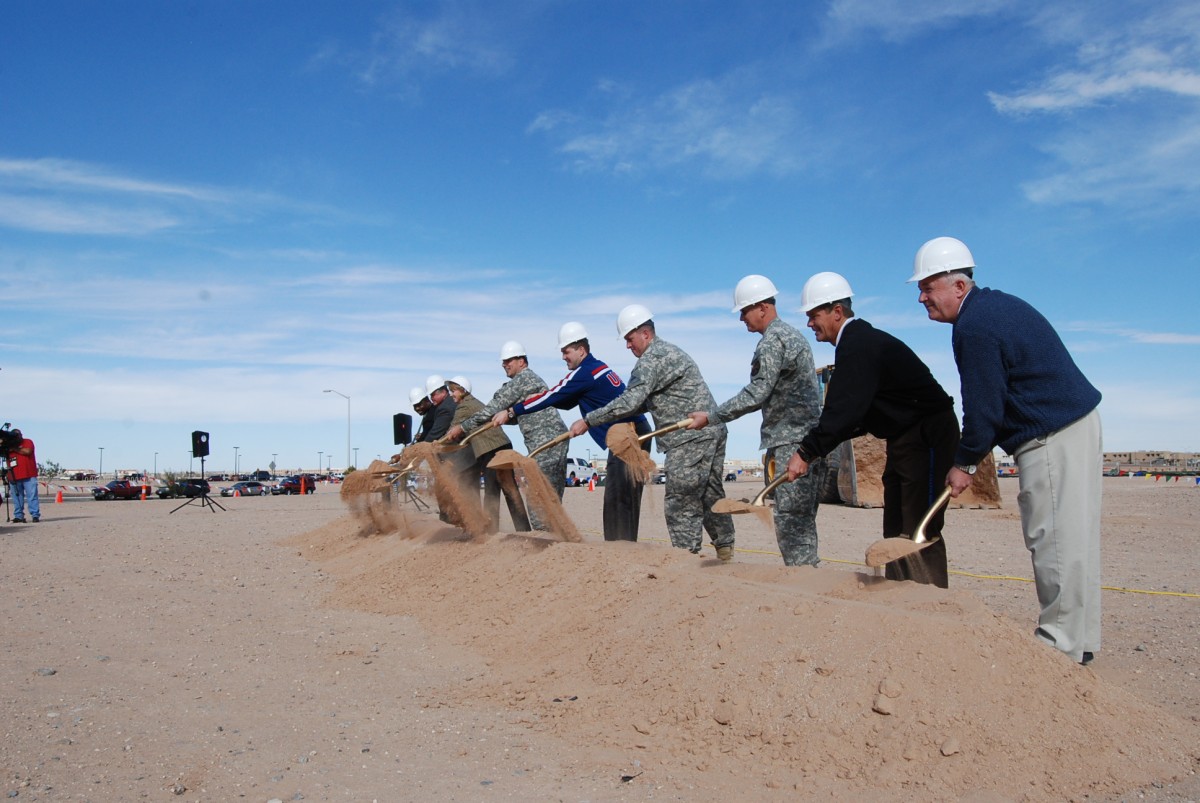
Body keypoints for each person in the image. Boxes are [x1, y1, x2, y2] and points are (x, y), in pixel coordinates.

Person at [912, 236, 1102, 664]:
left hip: (1051, 433)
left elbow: (984, 404)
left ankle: (1058, 647)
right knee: (1075, 539)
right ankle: (1080, 640)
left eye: (928, 287)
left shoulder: (975, 326)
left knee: (1052, 538)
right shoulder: (993, 308)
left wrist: (964, 461)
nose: (921, 297)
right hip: (1075, 422)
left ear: (959, 287)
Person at [783, 272, 960, 587]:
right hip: (904, 437)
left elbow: (843, 410)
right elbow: (857, 414)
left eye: (814, 315)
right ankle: (900, 593)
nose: (810, 323)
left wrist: (806, 452)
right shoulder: (855, 345)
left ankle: (931, 604)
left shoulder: (860, 344)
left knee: (921, 524)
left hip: (928, 434)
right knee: (896, 520)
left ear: (837, 311)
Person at [572, 305, 735, 559]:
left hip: (690, 437)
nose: (628, 345)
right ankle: (726, 552)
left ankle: (686, 561)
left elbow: (631, 402)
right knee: (709, 493)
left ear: (645, 333)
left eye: (629, 339)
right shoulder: (669, 352)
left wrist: (589, 420)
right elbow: (652, 401)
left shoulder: (650, 361)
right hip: (711, 430)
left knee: (680, 502)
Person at [688, 275, 824, 566]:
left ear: (763, 307)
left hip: (791, 443)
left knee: (792, 526)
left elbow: (757, 392)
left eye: (744, 310)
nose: (741, 318)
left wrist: (711, 417)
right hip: (806, 441)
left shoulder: (773, 341)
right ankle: (810, 582)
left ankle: (806, 589)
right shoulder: (791, 336)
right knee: (802, 523)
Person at [501, 322, 652, 541]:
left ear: (581, 350)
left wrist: (512, 411)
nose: (563, 357)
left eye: (566, 351)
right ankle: (622, 548)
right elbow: (565, 400)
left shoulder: (585, 372)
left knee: (619, 499)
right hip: (635, 433)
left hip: (627, 437)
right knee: (623, 499)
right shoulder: (597, 368)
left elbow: (552, 395)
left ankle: (620, 552)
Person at [447, 341, 569, 525]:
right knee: (550, 497)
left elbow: (491, 409)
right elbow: (520, 414)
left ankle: (544, 545)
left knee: (539, 498)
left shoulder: (521, 380)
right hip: (550, 440)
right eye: (503, 361)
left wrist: (463, 427)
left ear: (522, 361)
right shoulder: (528, 380)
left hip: (546, 443)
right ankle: (556, 541)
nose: (505, 364)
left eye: (509, 360)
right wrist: (507, 416)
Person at [446, 375, 531, 532]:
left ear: (463, 391)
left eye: (453, 391)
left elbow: (451, 432)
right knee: (509, 487)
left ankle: (491, 531)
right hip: (502, 445)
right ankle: (524, 529)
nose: (451, 394)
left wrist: (434, 445)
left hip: (490, 449)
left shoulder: (464, 406)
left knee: (492, 489)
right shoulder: (474, 402)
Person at [6, 428, 40, 523]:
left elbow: (27, 451)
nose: (16, 437)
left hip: (29, 475)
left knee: (32, 495)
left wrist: (14, 449)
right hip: (14, 476)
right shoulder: (8, 446)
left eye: (18, 435)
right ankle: (18, 515)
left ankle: (35, 515)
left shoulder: (27, 442)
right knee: (17, 497)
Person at [419, 374, 456, 443]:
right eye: (430, 395)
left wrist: (420, 448)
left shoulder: (445, 408)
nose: (431, 398)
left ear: (443, 392)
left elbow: (435, 434)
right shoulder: (450, 401)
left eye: (433, 395)